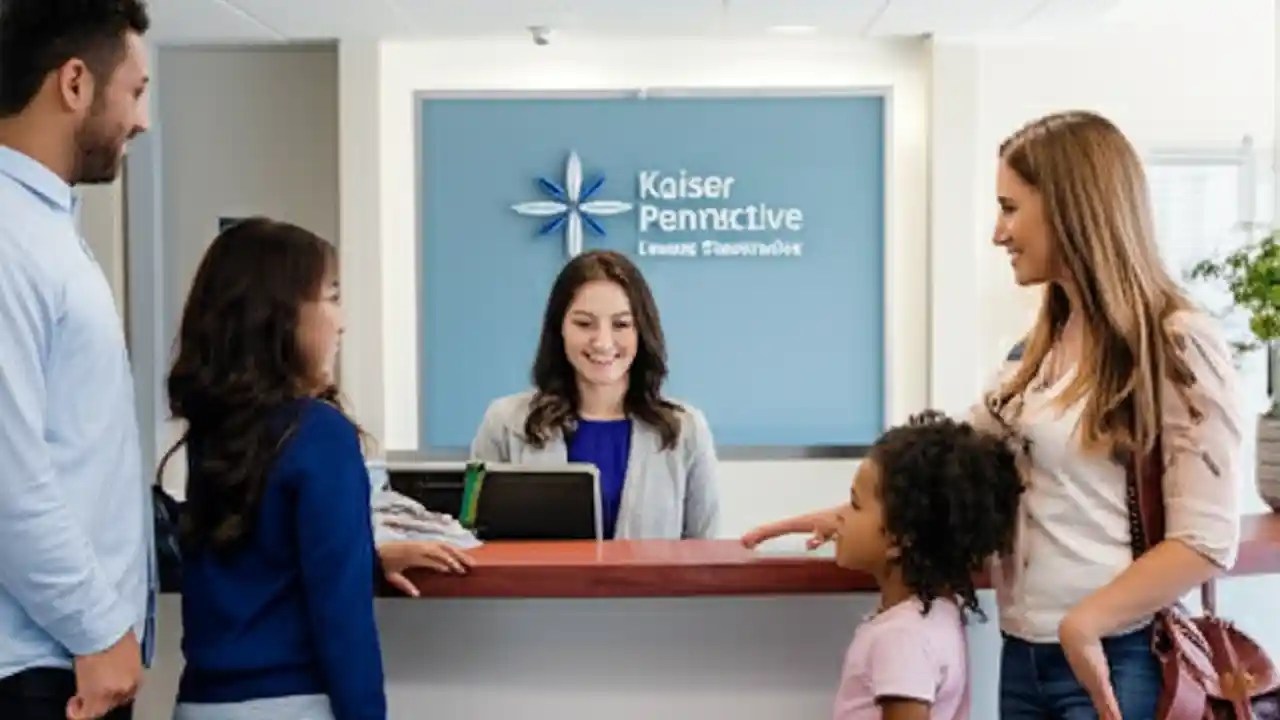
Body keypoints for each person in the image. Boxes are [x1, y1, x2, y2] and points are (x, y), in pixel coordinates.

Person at [744, 111, 1242, 720]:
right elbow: (950, 468)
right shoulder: (1030, 359)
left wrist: (1085, 625)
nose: (998, 233)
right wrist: (854, 510)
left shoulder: (1175, 342)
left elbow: (1205, 541)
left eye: (1010, 208)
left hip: (1121, 660)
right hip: (1025, 658)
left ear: (1070, 207)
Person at [162, 218, 472, 720]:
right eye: (331, 297)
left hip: (200, 702)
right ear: (280, 315)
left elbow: (257, 566)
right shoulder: (319, 434)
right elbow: (342, 622)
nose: (342, 321)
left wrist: (365, 557)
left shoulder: (214, 433)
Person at [0, 2, 155, 718]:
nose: (142, 120)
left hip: (63, 658)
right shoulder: (10, 239)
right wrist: (98, 627)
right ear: (73, 83)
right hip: (38, 666)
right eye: (136, 91)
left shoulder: (45, 228)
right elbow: (8, 474)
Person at [471, 249, 720, 539]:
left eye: (621, 325)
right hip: (536, 587)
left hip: (653, 588)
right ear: (559, 328)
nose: (603, 342)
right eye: (584, 323)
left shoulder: (685, 428)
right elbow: (473, 541)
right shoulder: (504, 422)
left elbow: (706, 550)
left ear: (642, 331)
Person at [826, 411, 1021, 720]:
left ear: (899, 538)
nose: (837, 517)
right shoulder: (934, 615)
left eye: (854, 505)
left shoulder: (903, 637)